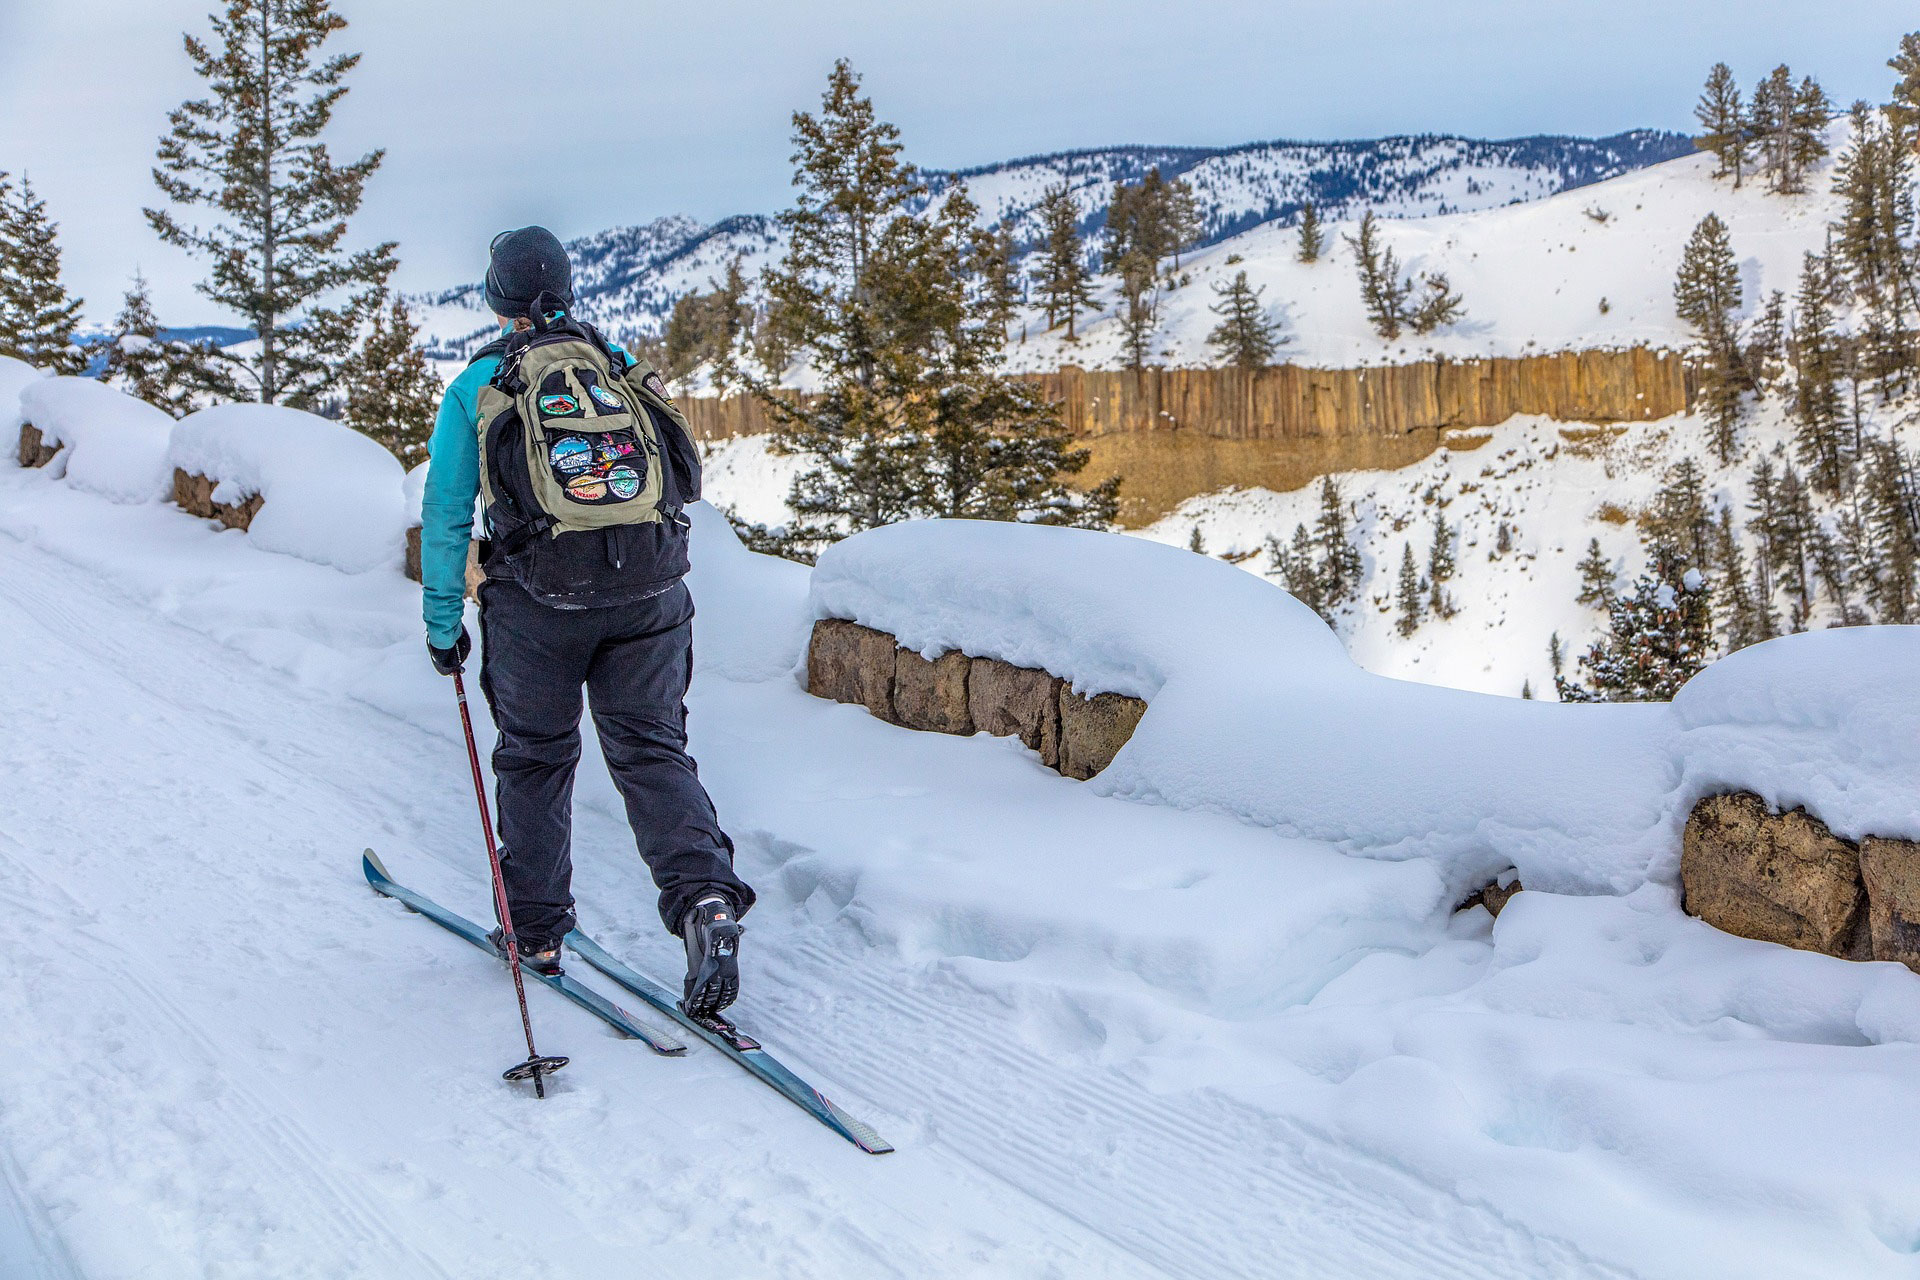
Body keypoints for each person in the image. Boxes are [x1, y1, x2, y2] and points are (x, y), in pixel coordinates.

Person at [418, 226, 754, 1019]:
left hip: (538, 601)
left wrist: (442, 625)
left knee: (536, 758)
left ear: (496, 299)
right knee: (650, 748)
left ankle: (534, 932)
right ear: (567, 288)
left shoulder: (479, 383)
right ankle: (706, 899)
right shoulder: (617, 365)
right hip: (650, 592)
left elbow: (445, 512)